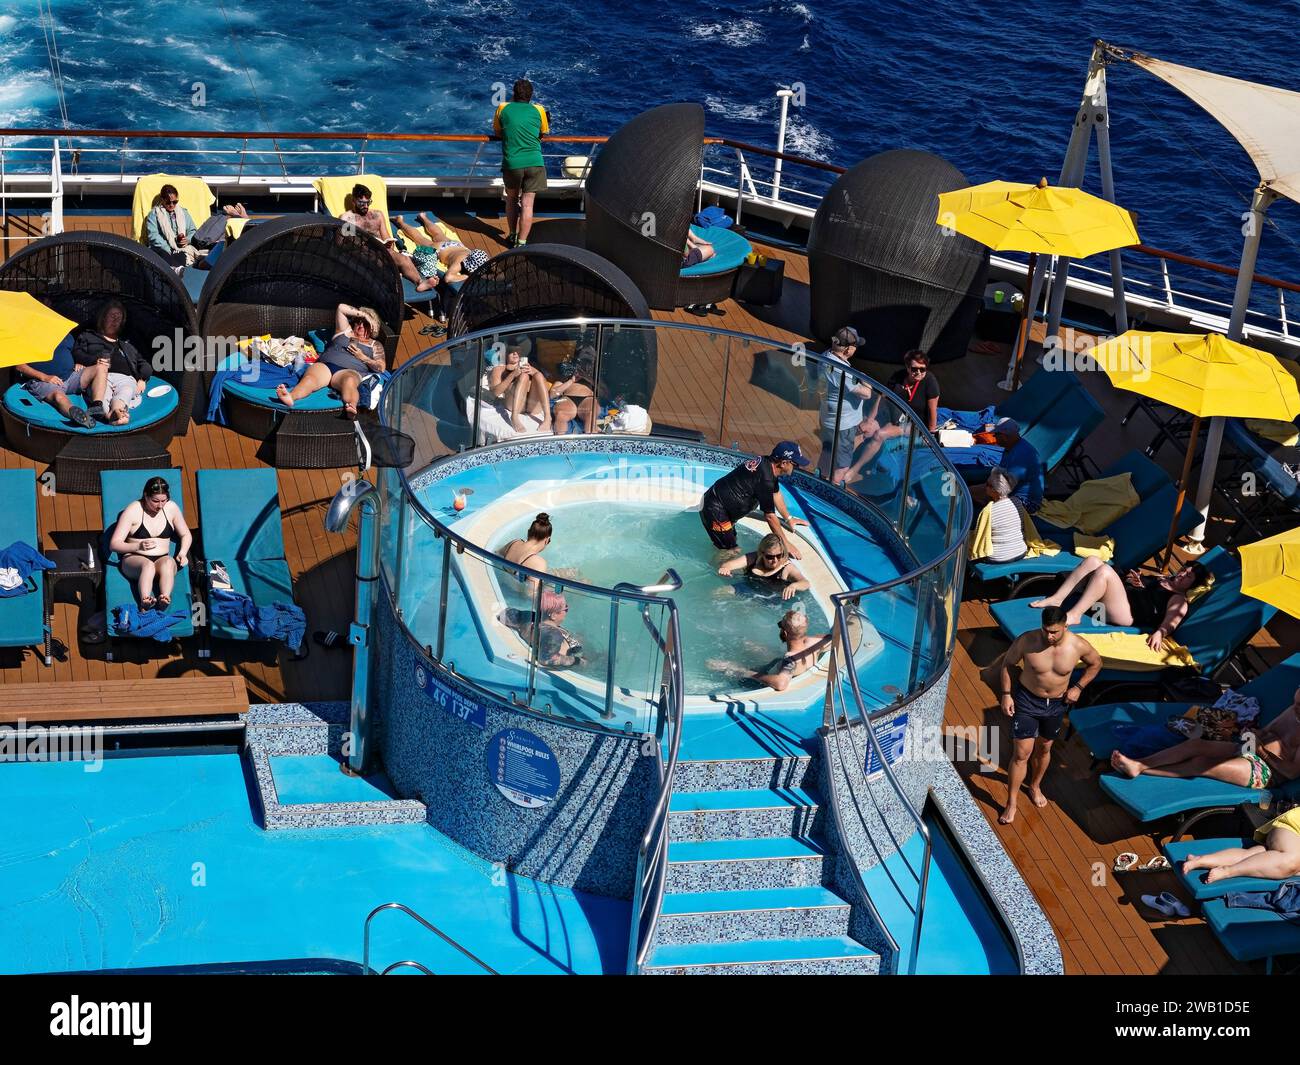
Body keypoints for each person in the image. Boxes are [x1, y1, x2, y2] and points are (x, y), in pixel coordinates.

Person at [997, 605, 1102, 824]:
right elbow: (1007, 664)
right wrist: (1007, 694)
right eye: (1046, 630)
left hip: (1056, 704)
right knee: (1021, 753)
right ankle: (1011, 802)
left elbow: (1096, 664)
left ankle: (1035, 786)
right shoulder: (1028, 641)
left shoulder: (1078, 645)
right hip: (1027, 700)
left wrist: (1078, 688)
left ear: (1065, 626)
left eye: (1054, 631)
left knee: (1044, 748)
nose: (1049, 635)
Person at [1111, 686, 1300, 792]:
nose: (1296, 707)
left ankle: (1142, 771)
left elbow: (1291, 772)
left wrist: (1260, 751)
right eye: (1296, 702)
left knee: (1202, 764)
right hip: (1250, 748)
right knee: (1195, 745)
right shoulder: (1292, 710)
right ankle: (1139, 764)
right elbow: (1266, 731)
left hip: (1266, 771)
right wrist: (1252, 734)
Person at [1029, 558, 1211, 650]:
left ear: (1193, 584)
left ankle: (1075, 614)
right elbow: (1147, 592)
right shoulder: (1164, 579)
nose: (1182, 574)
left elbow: (1172, 620)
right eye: (1183, 570)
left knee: (1105, 571)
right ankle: (1058, 598)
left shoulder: (1179, 599)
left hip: (1128, 615)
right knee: (1093, 560)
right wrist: (1138, 582)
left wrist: (1160, 633)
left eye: (1188, 576)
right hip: (1124, 600)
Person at [699, 442, 811, 559]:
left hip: (720, 505)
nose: (797, 467)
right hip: (716, 510)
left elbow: (776, 493)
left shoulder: (767, 464)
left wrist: (789, 519)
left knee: (731, 544)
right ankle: (716, 572)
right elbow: (770, 517)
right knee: (731, 551)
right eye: (796, 464)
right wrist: (785, 543)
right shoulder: (766, 478)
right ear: (783, 463)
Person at [276, 303, 386, 419]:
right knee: (310, 379)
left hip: (350, 371)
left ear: (373, 327)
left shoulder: (375, 345)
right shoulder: (344, 330)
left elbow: (381, 367)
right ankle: (291, 397)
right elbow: (340, 308)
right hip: (326, 366)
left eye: (366, 323)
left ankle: (351, 407)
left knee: (349, 381)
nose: (361, 325)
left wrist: (363, 357)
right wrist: (364, 315)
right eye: (359, 321)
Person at [108, 475, 192, 609]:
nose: (160, 505)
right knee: (147, 566)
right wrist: (138, 546)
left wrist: (182, 552)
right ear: (146, 496)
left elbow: (186, 534)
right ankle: (145, 599)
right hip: (134, 560)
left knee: (169, 562)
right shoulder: (133, 510)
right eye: (155, 501)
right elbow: (114, 544)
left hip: (161, 559)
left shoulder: (171, 508)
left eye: (163, 500)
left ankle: (164, 597)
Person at [339, 184, 437, 292]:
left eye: (368, 202)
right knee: (378, 262)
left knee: (404, 259)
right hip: (364, 252)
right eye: (362, 203)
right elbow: (340, 244)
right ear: (353, 201)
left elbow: (386, 237)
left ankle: (420, 282)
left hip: (383, 250)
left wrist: (389, 243)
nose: (366, 206)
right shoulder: (348, 218)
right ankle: (393, 276)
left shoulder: (377, 215)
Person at [71, 300, 152, 425]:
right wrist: (91, 361)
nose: (115, 320)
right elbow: (77, 353)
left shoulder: (127, 344)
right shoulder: (88, 336)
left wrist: (142, 378)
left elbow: (144, 364)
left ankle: (115, 411)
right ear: (103, 318)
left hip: (125, 377)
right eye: (112, 316)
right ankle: (114, 415)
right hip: (101, 377)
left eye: (118, 318)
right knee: (101, 401)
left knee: (126, 390)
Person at [709, 609, 830, 692]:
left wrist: (746, 672)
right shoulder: (814, 643)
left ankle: (736, 667)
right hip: (780, 666)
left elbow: (780, 683)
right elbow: (835, 637)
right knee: (754, 646)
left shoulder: (791, 660)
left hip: (761, 682)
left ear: (785, 633)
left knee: (714, 664)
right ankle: (748, 645)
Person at [493, 79, 549, 248]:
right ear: (530, 96)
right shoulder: (539, 110)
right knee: (527, 204)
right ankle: (522, 242)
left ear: (514, 94)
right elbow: (543, 133)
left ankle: (512, 234)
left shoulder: (503, 108)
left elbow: (497, 131)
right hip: (535, 162)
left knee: (511, 199)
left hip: (513, 163)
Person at [1181, 805, 1300, 885]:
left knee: (1251, 856)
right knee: (1291, 861)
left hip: (1289, 837)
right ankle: (1228, 871)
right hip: (1291, 829)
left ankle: (1199, 860)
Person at [817, 326, 874, 482]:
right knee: (842, 465)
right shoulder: (842, 370)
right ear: (848, 349)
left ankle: (818, 481)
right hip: (842, 425)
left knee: (827, 452)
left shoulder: (825, 356)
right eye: (855, 346)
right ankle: (831, 491)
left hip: (828, 418)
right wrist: (866, 381)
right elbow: (866, 394)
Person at [12, 337, 99, 430]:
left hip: (70, 376)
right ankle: (77, 415)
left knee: (100, 368)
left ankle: (98, 406)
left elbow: (73, 353)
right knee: (58, 396)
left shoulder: (63, 333)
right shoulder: (26, 337)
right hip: (43, 381)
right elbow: (19, 366)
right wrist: (44, 377)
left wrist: (77, 362)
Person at [499, 590, 584, 669]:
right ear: (554, 615)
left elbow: (504, 615)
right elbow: (547, 659)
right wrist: (577, 661)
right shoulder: (554, 635)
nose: (566, 612)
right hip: (570, 653)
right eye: (566, 609)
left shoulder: (528, 618)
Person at [716, 533, 810, 601]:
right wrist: (725, 568)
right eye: (770, 557)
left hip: (768, 600)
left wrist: (793, 586)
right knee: (717, 593)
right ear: (762, 553)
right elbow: (729, 565)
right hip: (746, 588)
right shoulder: (754, 558)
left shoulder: (787, 568)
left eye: (779, 555)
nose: (775, 560)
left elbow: (805, 583)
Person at [486, 336, 552, 434]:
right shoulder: (499, 369)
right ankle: (514, 417)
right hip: (513, 404)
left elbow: (545, 387)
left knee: (538, 375)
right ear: (505, 353)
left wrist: (534, 372)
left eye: (518, 350)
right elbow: (494, 393)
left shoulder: (530, 366)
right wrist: (512, 375)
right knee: (524, 376)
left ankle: (548, 417)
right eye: (511, 351)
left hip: (532, 406)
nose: (515, 353)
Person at [145, 183, 207, 272]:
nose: (172, 205)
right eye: (168, 202)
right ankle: (177, 270)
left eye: (174, 202)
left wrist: (188, 239)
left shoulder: (183, 212)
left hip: (181, 249)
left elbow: (192, 230)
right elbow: (153, 236)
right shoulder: (154, 214)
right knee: (164, 255)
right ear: (162, 200)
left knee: (182, 255)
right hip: (163, 248)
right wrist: (168, 248)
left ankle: (177, 270)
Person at [972, 467, 1028, 563]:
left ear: (995, 490)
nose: (985, 487)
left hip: (998, 557)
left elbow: (981, 537)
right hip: (1021, 551)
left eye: (988, 485)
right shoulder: (1017, 502)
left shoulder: (988, 510)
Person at [988, 417, 1043, 512]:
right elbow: (997, 476)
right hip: (1012, 494)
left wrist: (981, 491)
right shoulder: (1009, 448)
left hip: (1027, 503)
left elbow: (1001, 490)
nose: (994, 437)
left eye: (995, 435)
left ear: (1004, 436)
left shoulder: (1022, 455)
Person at [886, 349, 940, 432]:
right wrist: (871, 419)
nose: (918, 372)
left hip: (916, 426)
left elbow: (932, 411)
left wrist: (931, 434)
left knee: (881, 433)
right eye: (914, 369)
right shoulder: (898, 376)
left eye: (922, 369)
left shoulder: (929, 380)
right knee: (867, 429)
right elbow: (882, 396)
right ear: (908, 368)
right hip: (894, 420)